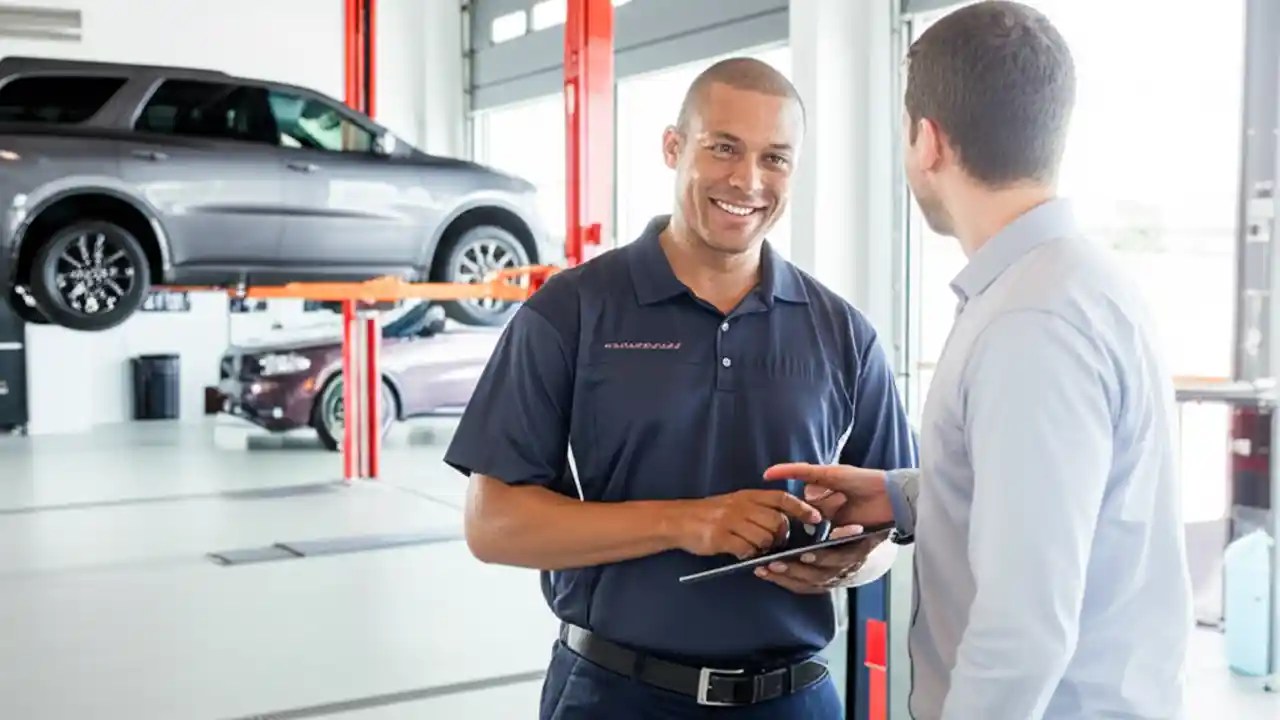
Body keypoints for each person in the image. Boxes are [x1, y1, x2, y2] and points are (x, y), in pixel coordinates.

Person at [443, 57, 917, 718]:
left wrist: (848, 565)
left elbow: (889, 534)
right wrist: (684, 522)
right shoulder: (571, 311)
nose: (748, 181)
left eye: (775, 158)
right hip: (612, 694)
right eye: (724, 148)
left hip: (795, 699)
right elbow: (492, 525)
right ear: (674, 147)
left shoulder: (844, 334)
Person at [765, 3, 1194, 719]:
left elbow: (1022, 629)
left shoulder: (1032, 323)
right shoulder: (1068, 285)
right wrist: (903, 494)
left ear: (927, 141)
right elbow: (1053, 504)